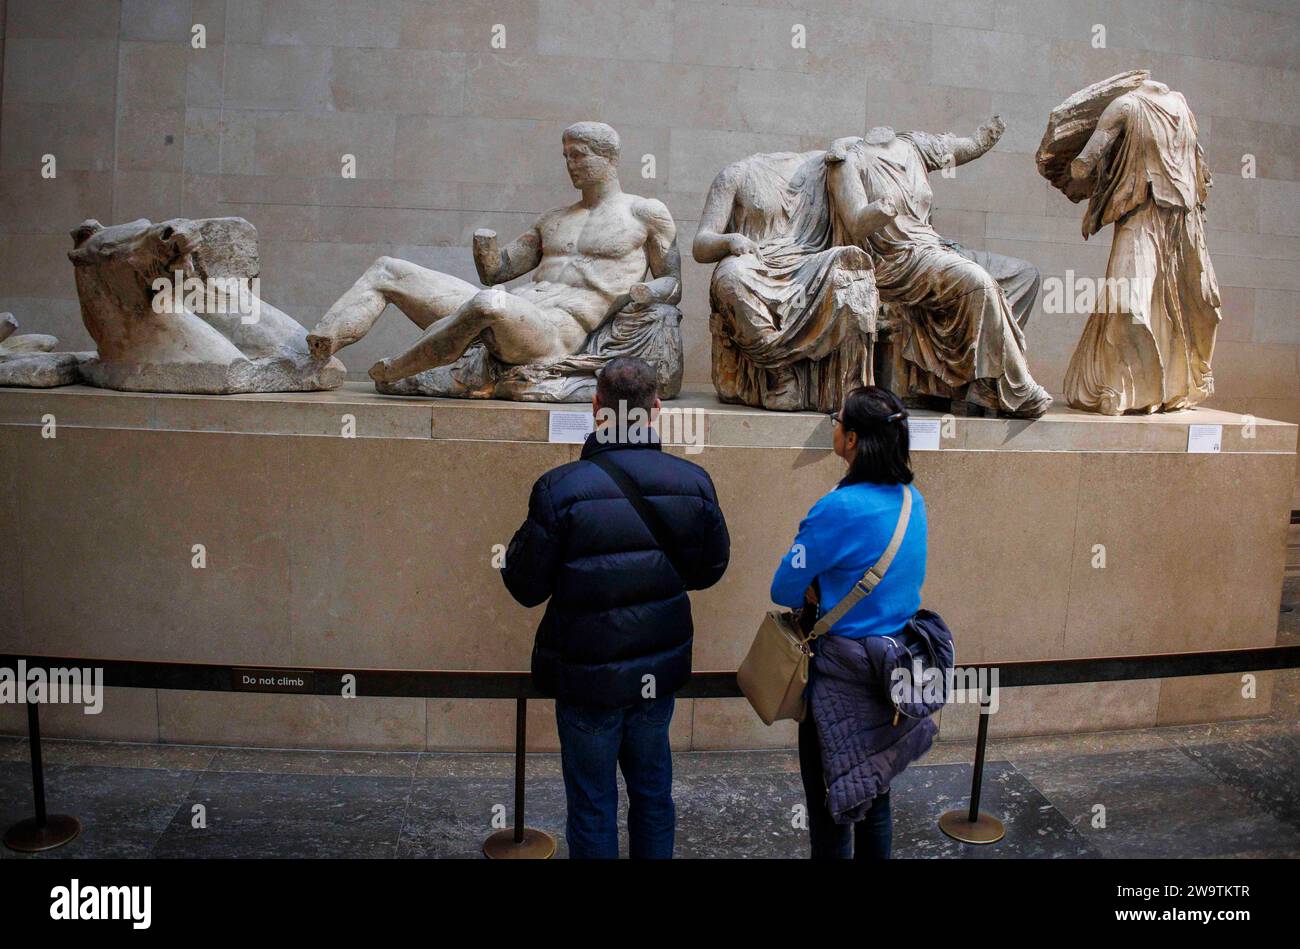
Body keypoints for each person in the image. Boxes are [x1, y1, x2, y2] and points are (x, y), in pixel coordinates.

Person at [501, 356, 730, 858]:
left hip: (588, 678)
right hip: (656, 672)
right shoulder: (693, 482)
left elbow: (524, 586)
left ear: (596, 407)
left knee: (591, 805)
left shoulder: (560, 488)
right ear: (656, 408)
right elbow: (711, 571)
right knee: (653, 796)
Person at [306, 121, 682, 385]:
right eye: (565, 155)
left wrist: (645, 293)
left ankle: (405, 366)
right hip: (509, 307)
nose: (570, 165)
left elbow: (673, 282)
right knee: (389, 270)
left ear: (608, 158)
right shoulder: (553, 219)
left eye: (579, 155)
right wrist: (484, 243)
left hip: (556, 333)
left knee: (489, 304)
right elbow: (497, 271)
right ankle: (320, 349)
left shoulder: (644, 212)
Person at [770, 385, 932, 859]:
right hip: (892, 668)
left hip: (838, 678)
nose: (834, 428)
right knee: (874, 792)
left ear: (854, 439)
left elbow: (782, 588)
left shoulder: (837, 508)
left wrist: (817, 584)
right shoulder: (910, 500)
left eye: (838, 421)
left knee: (830, 805)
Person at [824, 121, 1053, 418]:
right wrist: (881, 209)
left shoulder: (913, 146)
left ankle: (982, 383)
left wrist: (987, 135)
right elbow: (855, 222)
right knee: (978, 282)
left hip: (935, 248)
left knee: (1023, 275)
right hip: (896, 260)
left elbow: (968, 146)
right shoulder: (847, 161)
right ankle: (1017, 386)